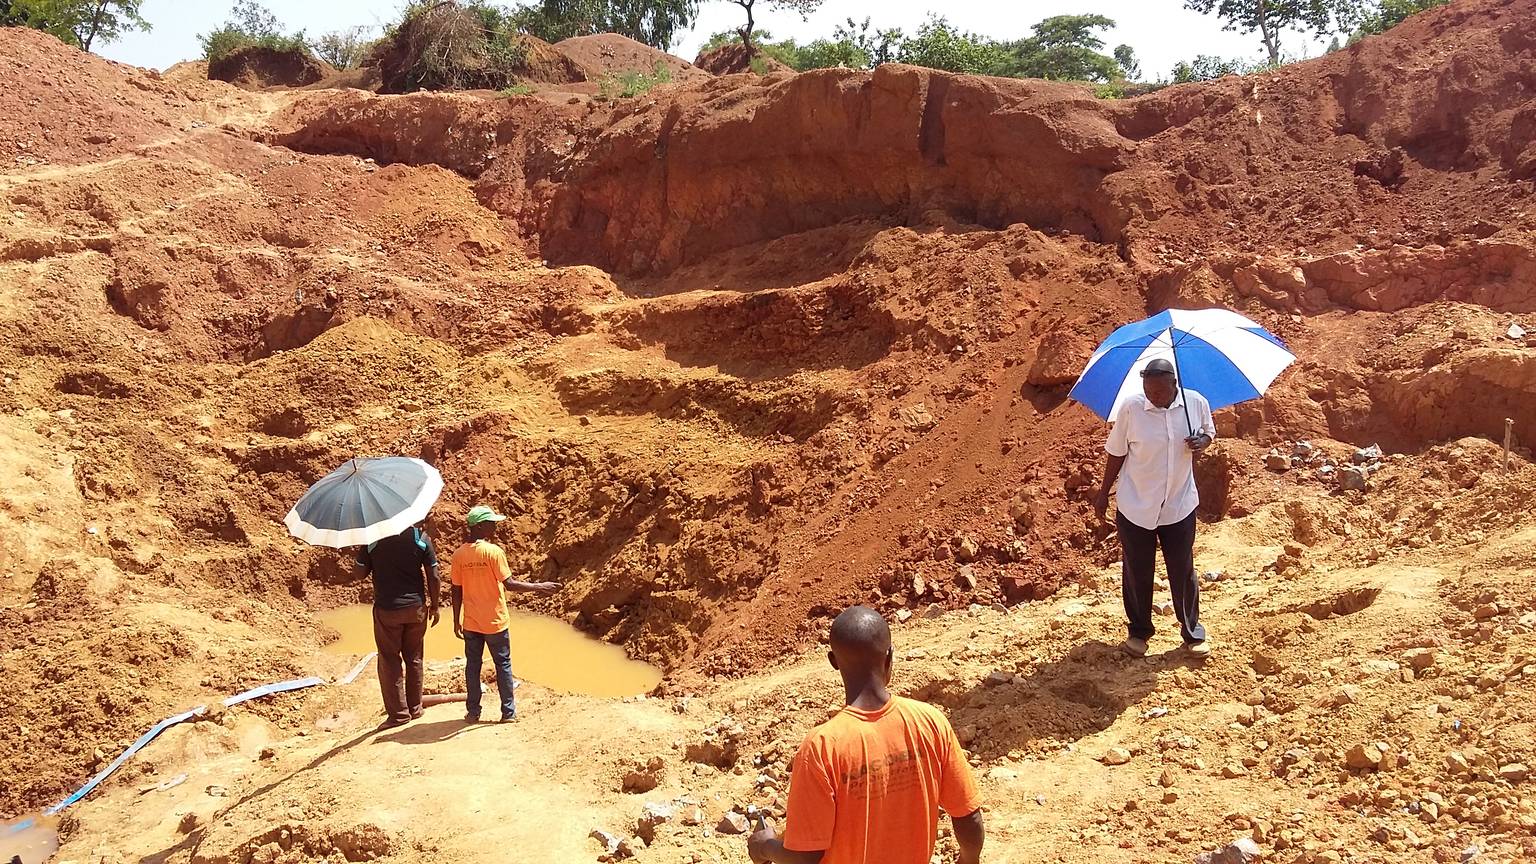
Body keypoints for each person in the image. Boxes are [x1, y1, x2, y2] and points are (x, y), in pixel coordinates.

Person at [746, 606, 985, 864]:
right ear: (889, 656)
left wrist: (765, 846)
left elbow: (805, 857)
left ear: (833, 661)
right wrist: (968, 861)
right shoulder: (930, 722)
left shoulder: (822, 747)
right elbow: (969, 817)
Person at [1092, 357, 1216, 659]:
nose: (1153, 397)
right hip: (1137, 505)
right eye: (1148, 391)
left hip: (1179, 503)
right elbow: (1116, 452)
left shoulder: (1195, 403)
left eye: (1159, 391)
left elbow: (1209, 432)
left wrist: (1201, 441)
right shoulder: (1132, 408)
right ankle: (1139, 632)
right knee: (1137, 569)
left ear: (1174, 384)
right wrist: (1103, 493)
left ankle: (1192, 632)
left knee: (1182, 568)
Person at [449, 505, 560, 723]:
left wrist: (456, 620)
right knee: (503, 664)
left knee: (473, 666)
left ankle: (473, 712)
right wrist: (540, 587)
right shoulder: (494, 552)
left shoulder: (459, 555)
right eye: (491, 523)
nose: (495, 526)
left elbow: (456, 590)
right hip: (495, 621)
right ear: (480, 526)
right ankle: (508, 713)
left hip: (471, 622)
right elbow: (509, 584)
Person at [356, 523, 440, 729]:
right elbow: (434, 576)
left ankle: (399, 715)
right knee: (414, 658)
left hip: (388, 610)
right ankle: (415, 708)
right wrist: (435, 606)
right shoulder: (420, 538)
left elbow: (359, 574)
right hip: (416, 609)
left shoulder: (373, 539)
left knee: (389, 660)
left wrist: (364, 550)